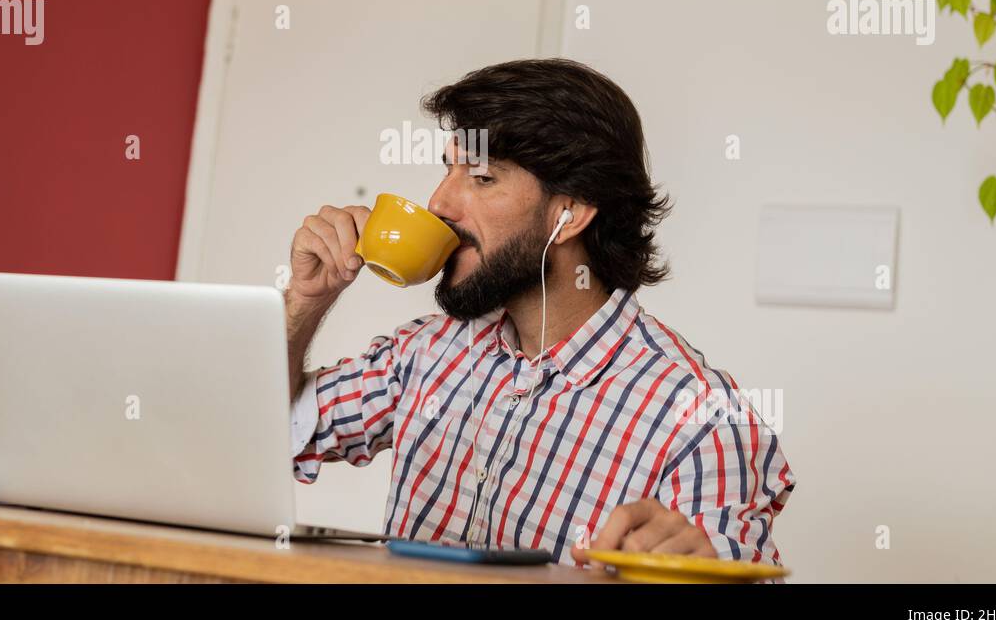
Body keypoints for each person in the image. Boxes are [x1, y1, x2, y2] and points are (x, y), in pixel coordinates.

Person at [283, 58, 794, 569]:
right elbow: (275, 426)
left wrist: (695, 569)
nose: (438, 203)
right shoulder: (425, 352)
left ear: (568, 216)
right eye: (448, 170)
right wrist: (306, 301)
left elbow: (725, 567)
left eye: (481, 177)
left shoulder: (700, 418)